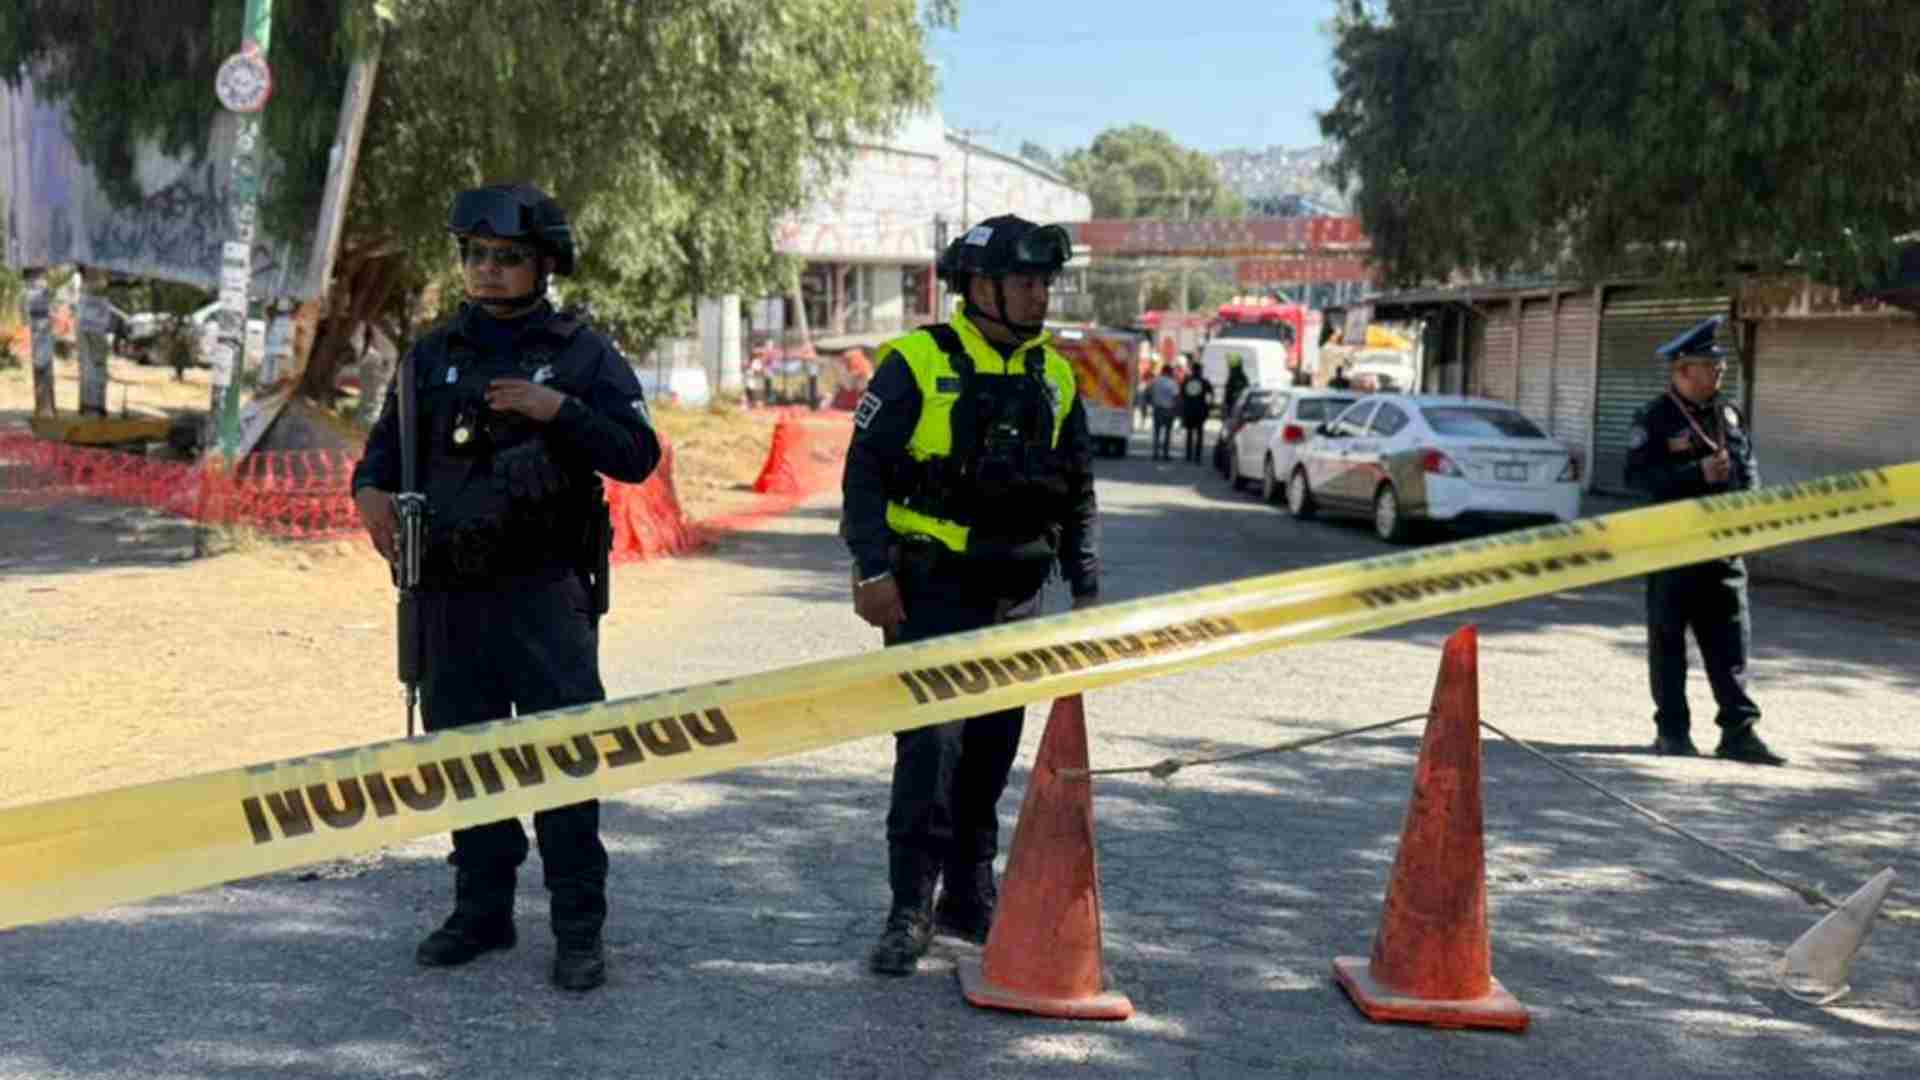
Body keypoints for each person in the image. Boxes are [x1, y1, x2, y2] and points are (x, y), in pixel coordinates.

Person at [351, 183, 663, 991]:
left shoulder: (581, 354)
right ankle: (482, 910)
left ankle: (578, 926)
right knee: (467, 755)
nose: (487, 270)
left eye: (508, 257)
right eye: (476, 255)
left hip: (543, 593)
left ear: (544, 264)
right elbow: (381, 455)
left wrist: (558, 410)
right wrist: (369, 494)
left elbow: (637, 455)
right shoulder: (431, 354)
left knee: (561, 757)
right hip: (450, 592)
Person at [840, 213, 1101, 976]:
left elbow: (1078, 488)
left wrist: (1086, 587)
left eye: (1045, 283)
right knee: (931, 753)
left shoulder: (1055, 374)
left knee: (990, 752)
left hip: (1015, 595)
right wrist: (872, 571)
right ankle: (909, 909)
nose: (1039, 296)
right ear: (980, 287)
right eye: (1025, 282)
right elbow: (863, 474)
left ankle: (967, 895)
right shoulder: (915, 362)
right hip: (931, 593)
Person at [1625, 315, 1784, 766]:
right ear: (1682, 371)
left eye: (1720, 366)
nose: (1719, 373)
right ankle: (1672, 731)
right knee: (1669, 644)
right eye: (1709, 367)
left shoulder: (1727, 413)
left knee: (1731, 643)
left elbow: (1747, 469)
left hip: (1722, 550)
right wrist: (1695, 473)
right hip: (1673, 549)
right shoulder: (1655, 418)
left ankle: (1739, 732)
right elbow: (1638, 479)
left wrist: (1752, 512)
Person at [1179, 359, 1213, 463]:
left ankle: (1188, 455)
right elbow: (1210, 395)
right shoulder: (1204, 381)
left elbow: (1182, 394)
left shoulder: (1187, 380)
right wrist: (1208, 406)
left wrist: (1184, 406)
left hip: (1189, 410)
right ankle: (1197, 456)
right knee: (1199, 433)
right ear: (1200, 370)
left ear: (1192, 370)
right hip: (1200, 410)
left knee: (1189, 433)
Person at [1148, 363, 1180, 460]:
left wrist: (1152, 402)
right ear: (1169, 372)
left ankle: (1155, 453)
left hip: (1157, 408)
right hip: (1168, 409)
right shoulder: (1172, 383)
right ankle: (1165, 454)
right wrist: (1176, 409)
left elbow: (1149, 392)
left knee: (1157, 432)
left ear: (1162, 371)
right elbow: (1176, 396)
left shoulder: (1155, 381)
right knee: (1167, 432)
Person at [1222, 352, 1250, 418]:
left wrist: (1226, 406)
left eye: (1228, 362)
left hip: (1235, 406)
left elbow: (1228, 394)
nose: (1227, 365)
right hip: (1240, 406)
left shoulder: (1233, 377)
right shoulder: (1243, 377)